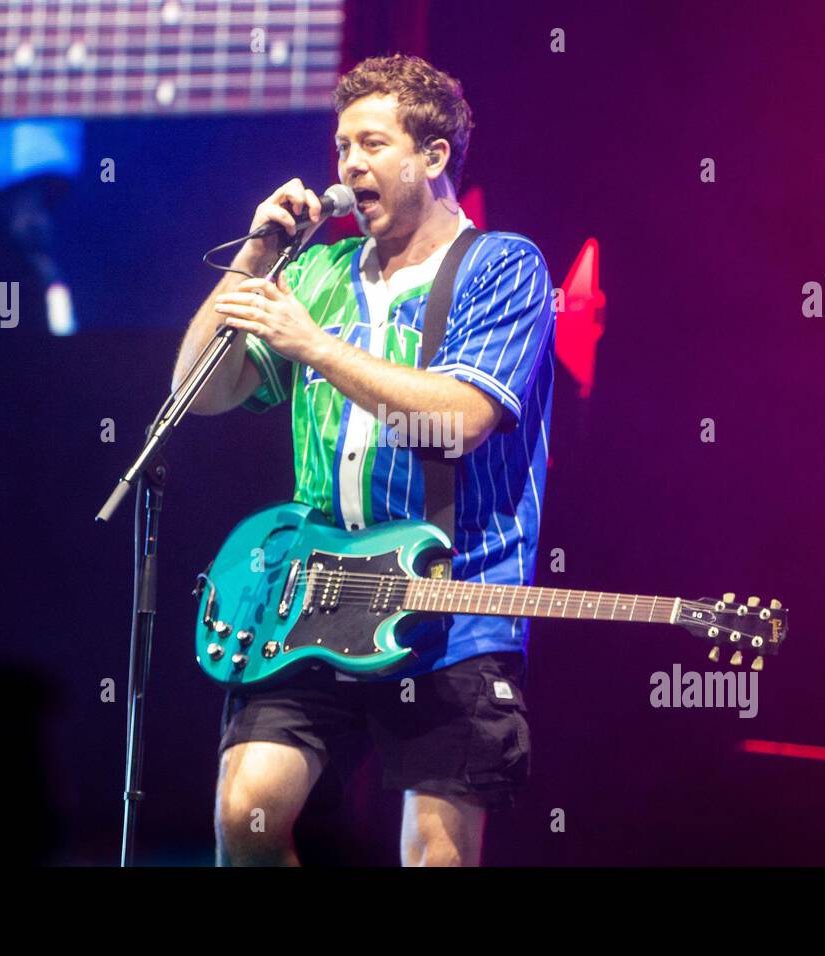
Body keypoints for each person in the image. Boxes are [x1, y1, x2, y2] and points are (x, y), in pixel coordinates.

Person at [172, 53, 555, 866]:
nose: (349, 165)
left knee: (435, 854)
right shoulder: (315, 270)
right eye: (342, 146)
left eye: (373, 145)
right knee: (246, 818)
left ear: (434, 157)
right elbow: (197, 394)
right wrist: (256, 258)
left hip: (454, 598)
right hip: (315, 589)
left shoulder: (504, 267)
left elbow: (459, 420)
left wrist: (311, 344)